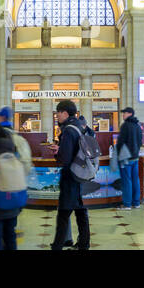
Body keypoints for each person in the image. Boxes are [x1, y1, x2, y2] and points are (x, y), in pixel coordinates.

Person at [50, 100, 91, 250]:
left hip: (70, 177)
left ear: (65, 113)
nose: (57, 116)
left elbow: (65, 158)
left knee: (63, 214)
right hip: (79, 175)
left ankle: (57, 246)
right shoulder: (80, 126)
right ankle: (84, 243)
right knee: (80, 210)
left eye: (58, 113)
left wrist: (57, 152)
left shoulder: (68, 130)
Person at [117, 107, 143, 209]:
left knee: (126, 180)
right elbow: (140, 141)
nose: (123, 115)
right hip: (135, 157)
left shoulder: (125, 125)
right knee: (135, 179)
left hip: (126, 158)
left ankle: (127, 204)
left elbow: (120, 142)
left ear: (130, 114)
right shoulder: (137, 126)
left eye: (125, 113)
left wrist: (118, 153)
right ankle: (136, 202)